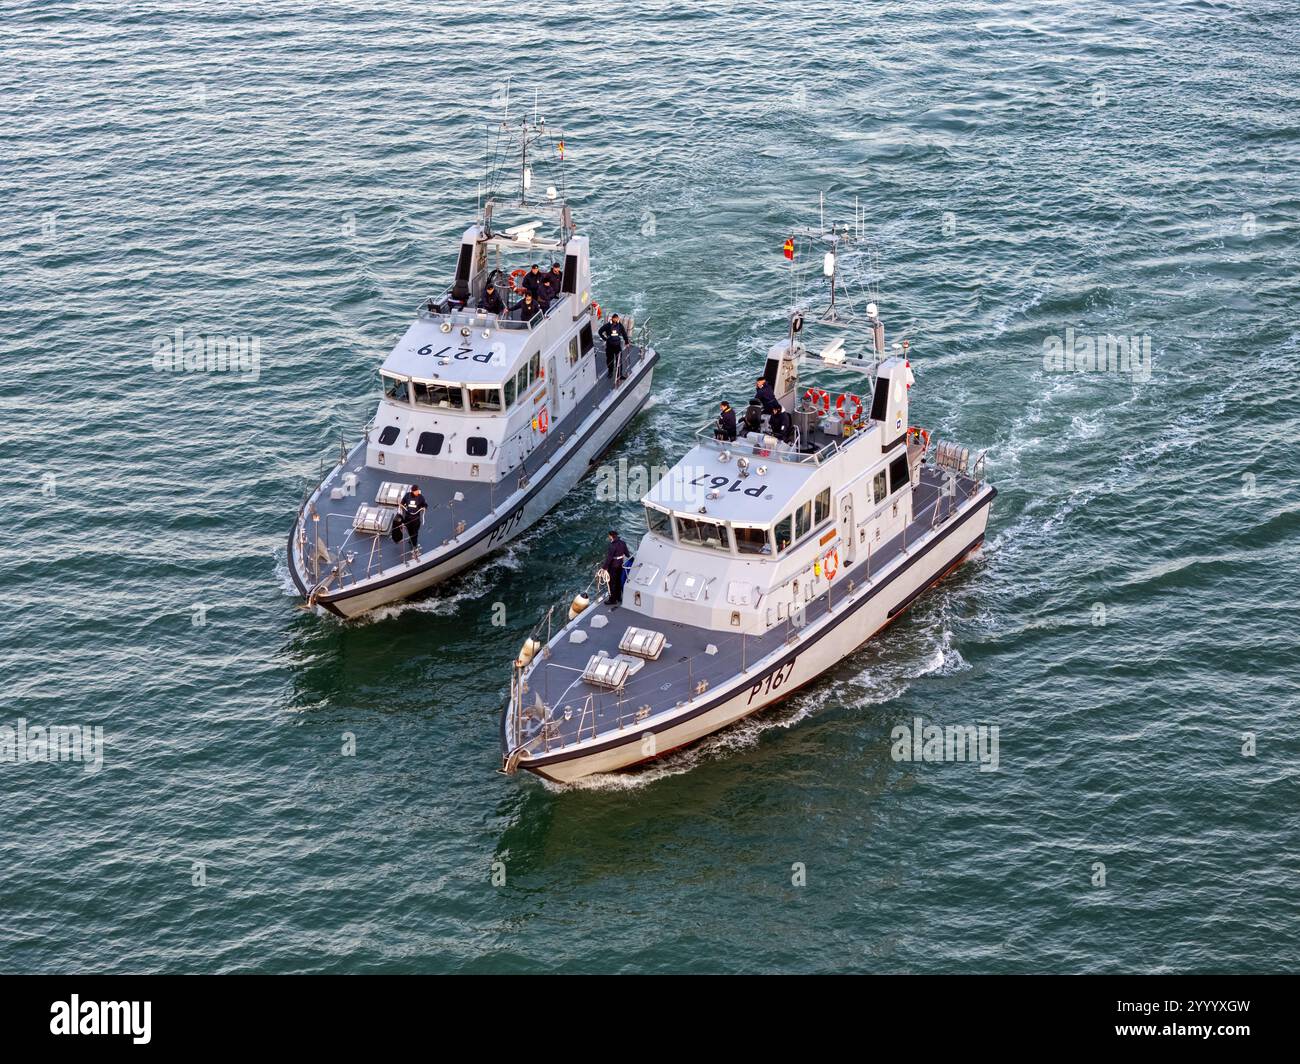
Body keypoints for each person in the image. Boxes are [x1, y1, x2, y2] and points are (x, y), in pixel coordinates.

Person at [394, 484, 428, 552]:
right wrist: (401, 505)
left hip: (416, 519)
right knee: (410, 532)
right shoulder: (407, 496)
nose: (418, 492)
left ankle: (414, 546)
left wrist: (424, 508)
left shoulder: (420, 497)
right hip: (408, 519)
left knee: (415, 533)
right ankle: (411, 539)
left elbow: (425, 504)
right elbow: (402, 503)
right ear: (413, 491)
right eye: (416, 491)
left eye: (418, 490)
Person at [598, 313, 629, 379]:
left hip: (617, 345)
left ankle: (619, 374)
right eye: (615, 318)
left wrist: (626, 342)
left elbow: (624, 333)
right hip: (609, 345)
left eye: (617, 318)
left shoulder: (620, 326)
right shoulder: (607, 325)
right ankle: (610, 372)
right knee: (610, 360)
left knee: (619, 360)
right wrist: (604, 338)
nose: (616, 319)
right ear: (612, 318)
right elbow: (600, 331)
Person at [604, 530, 629, 606]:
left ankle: (612, 600)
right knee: (618, 581)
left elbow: (609, 558)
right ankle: (619, 597)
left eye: (609, 536)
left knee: (612, 583)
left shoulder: (612, 546)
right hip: (620, 565)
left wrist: (604, 568)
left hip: (613, 566)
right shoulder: (622, 543)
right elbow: (627, 554)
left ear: (611, 536)